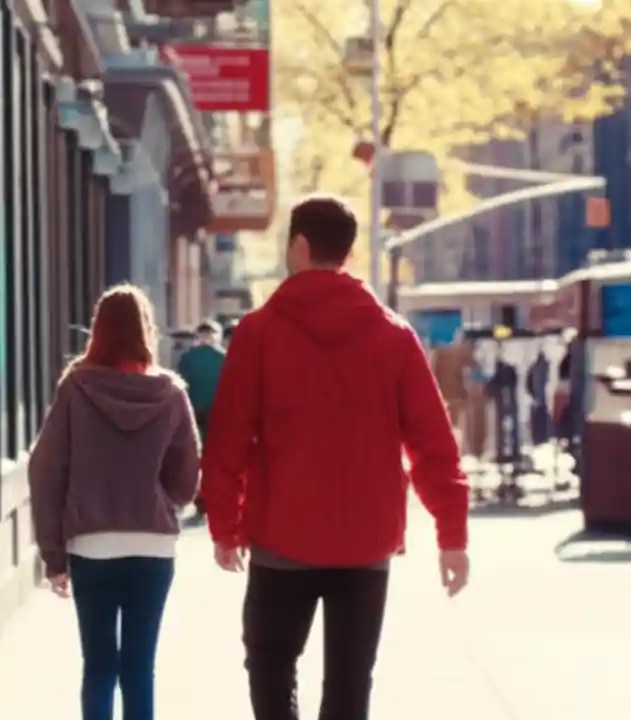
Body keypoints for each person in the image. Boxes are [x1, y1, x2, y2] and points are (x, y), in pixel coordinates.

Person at [200, 195, 470, 720]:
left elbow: (229, 438)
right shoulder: (393, 336)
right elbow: (433, 444)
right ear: (345, 253)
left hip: (282, 537)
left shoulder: (258, 333)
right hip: (366, 542)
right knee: (350, 681)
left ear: (300, 246)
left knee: (271, 665)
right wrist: (452, 534)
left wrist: (224, 524)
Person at [29, 284, 201, 720]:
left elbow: (46, 468)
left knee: (100, 665)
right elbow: (188, 473)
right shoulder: (171, 392)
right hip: (152, 546)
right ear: (147, 330)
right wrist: (164, 502)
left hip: (92, 544)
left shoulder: (76, 389)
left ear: (98, 331)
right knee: (140, 667)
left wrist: (54, 557)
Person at [177, 319, 226, 519]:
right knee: (216, 460)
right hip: (219, 415)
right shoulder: (224, 358)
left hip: (193, 413)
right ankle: (213, 499)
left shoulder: (187, 359)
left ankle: (200, 500)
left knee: (196, 457)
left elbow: (181, 386)